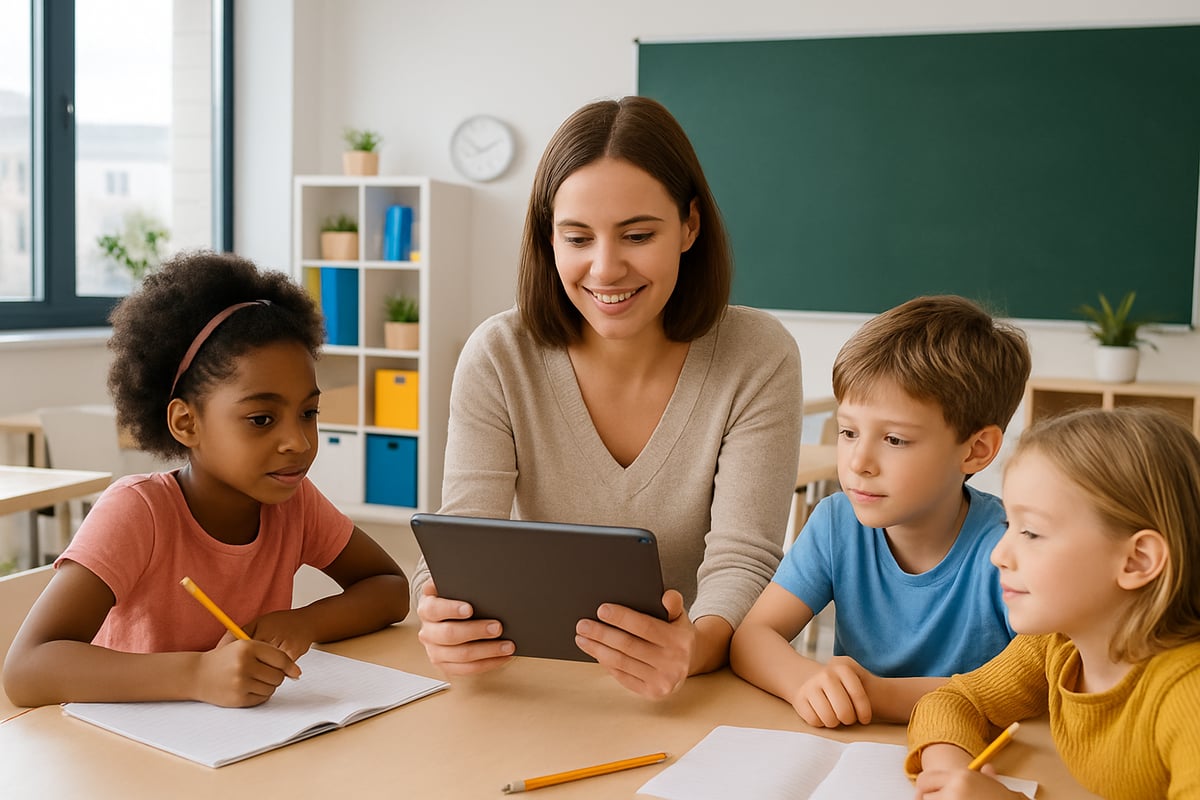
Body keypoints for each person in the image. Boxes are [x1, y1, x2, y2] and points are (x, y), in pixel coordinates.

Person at [413, 96, 803, 699]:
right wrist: (438, 613)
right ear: (549, 241)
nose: (605, 268)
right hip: (538, 683)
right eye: (576, 237)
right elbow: (464, 539)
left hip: (698, 682)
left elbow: (743, 559)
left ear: (690, 226)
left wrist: (691, 647)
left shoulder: (757, 354)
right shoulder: (498, 354)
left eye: (638, 234)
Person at [3, 252, 410, 708]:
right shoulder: (139, 512)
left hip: (241, 749)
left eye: (308, 413)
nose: (297, 441)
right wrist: (197, 674)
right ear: (186, 423)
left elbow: (389, 588)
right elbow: (26, 671)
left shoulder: (294, 503)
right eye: (261, 419)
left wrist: (304, 623)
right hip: (132, 754)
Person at [730, 295, 1031, 727]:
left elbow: (1030, 682)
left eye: (894, 440)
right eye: (848, 432)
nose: (858, 462)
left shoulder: (1011, 547)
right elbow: (752, 638)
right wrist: (804, 682)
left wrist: (879, 696)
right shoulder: (836, 523)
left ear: (976, 450)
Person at [906, 407, 1200, 798]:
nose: (998, 555)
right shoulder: (1057, 644)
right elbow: (955, 700)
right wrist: (955, 775)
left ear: (1137, 560)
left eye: (1031, 532)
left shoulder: (1187, 695)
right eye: (1009, 526)